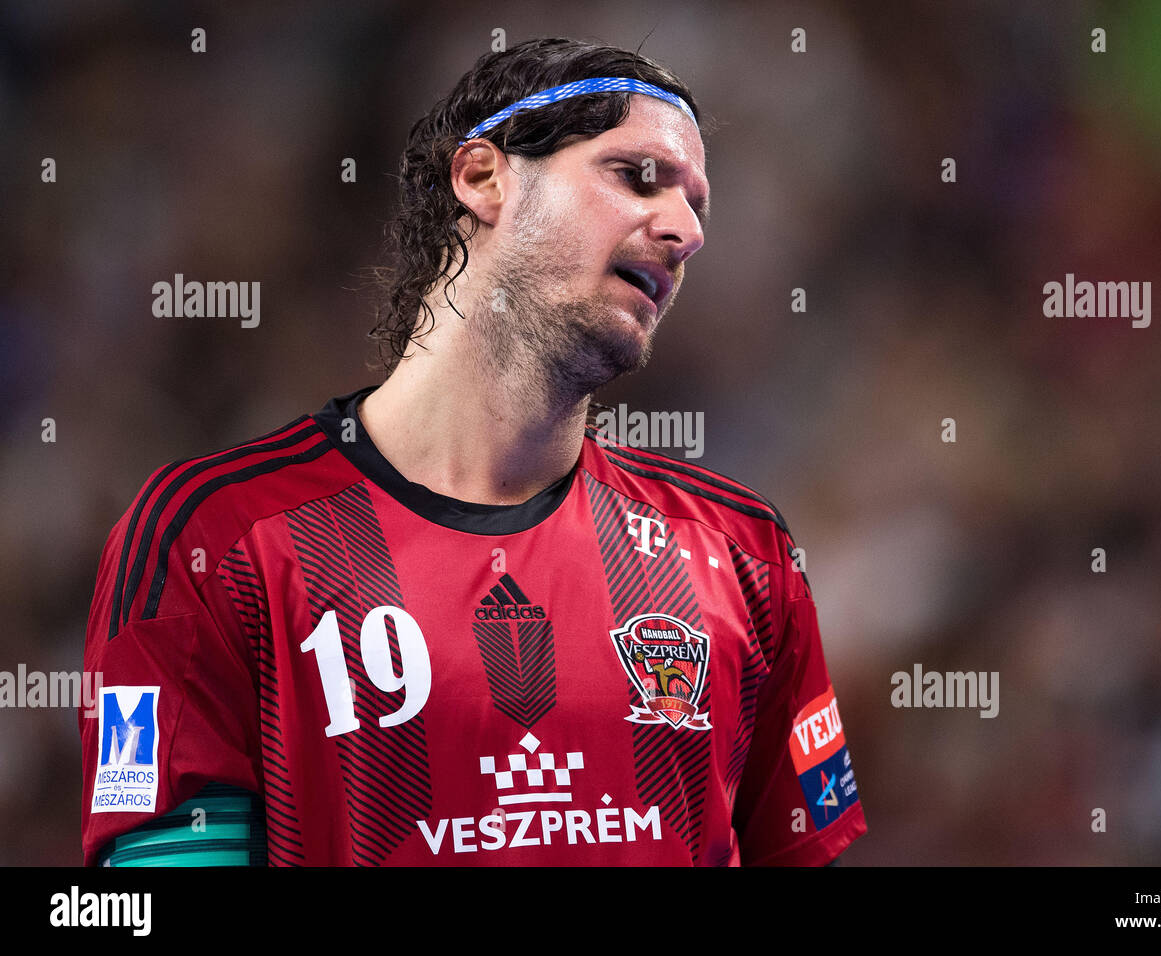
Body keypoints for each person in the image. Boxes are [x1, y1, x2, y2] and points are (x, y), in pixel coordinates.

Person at [80, 36, 866, 866]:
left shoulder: (740, 548)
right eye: (637, 177)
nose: (685, 229)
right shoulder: (216, 538)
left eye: (697, 203)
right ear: (484, 178)